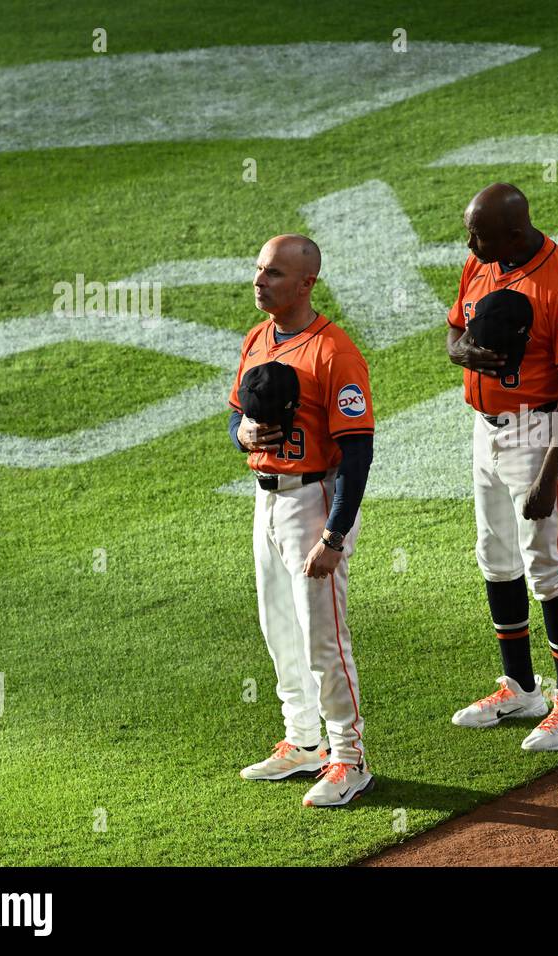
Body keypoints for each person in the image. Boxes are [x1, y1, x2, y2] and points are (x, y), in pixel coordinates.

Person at [446, 183, 558, 751]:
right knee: (495, 556)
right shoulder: (481, 262)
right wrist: (460, 350)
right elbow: (455, 330)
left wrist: (548, 478)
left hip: (539, 432)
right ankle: (519, 687)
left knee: (546, 565)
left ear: (515, 233)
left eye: (478, 235)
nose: (469, 243)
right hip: (484, 428)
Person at [229, 234, 377, 806]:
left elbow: (359, 451)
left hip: (315, 500)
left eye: (273, 273)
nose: (259, 281)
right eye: (258, 269)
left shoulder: (335, 353)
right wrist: (241, 434)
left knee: (324, 640)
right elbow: (238, 420)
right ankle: (303, 742)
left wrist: (334, 536)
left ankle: (349, 758)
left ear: (306, 283)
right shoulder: (258, 339)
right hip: (266, 500)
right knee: (279, 629)